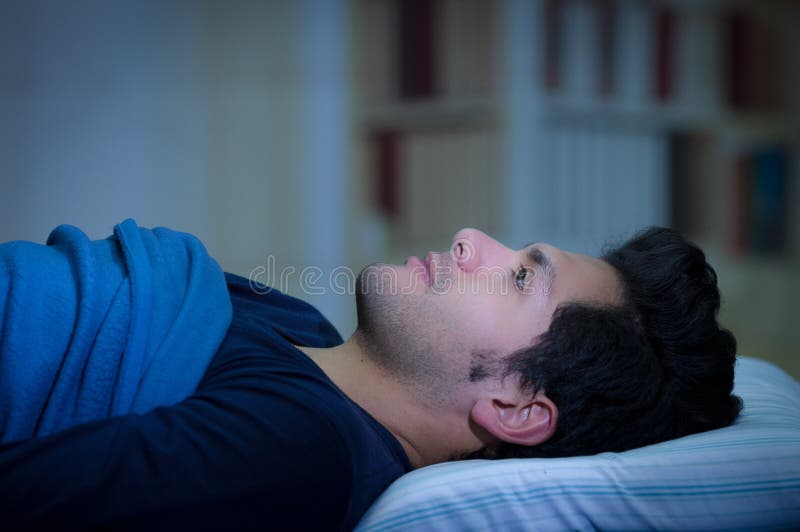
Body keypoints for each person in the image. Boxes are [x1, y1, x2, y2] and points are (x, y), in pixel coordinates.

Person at [0, 223, 740, 530]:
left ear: (516, 406)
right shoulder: (308, 334)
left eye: (521, 278)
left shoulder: (296, 451)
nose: (471, 238)